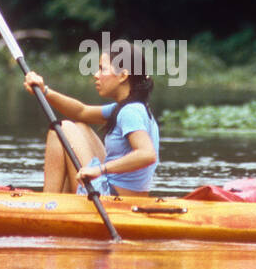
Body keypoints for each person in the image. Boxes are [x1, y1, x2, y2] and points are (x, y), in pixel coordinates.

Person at [22, 52, 159, 197]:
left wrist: (100, 169)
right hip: (116, 192)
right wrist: (45, 91)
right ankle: (63, 199)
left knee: (61, 129)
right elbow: (81, 111)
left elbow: (147, 155)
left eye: (102, 69)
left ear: (123, 76)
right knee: (81, 126)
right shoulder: (128, 107)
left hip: (114, 198)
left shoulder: (130, 112)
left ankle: (47, 201)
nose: (96, 74)